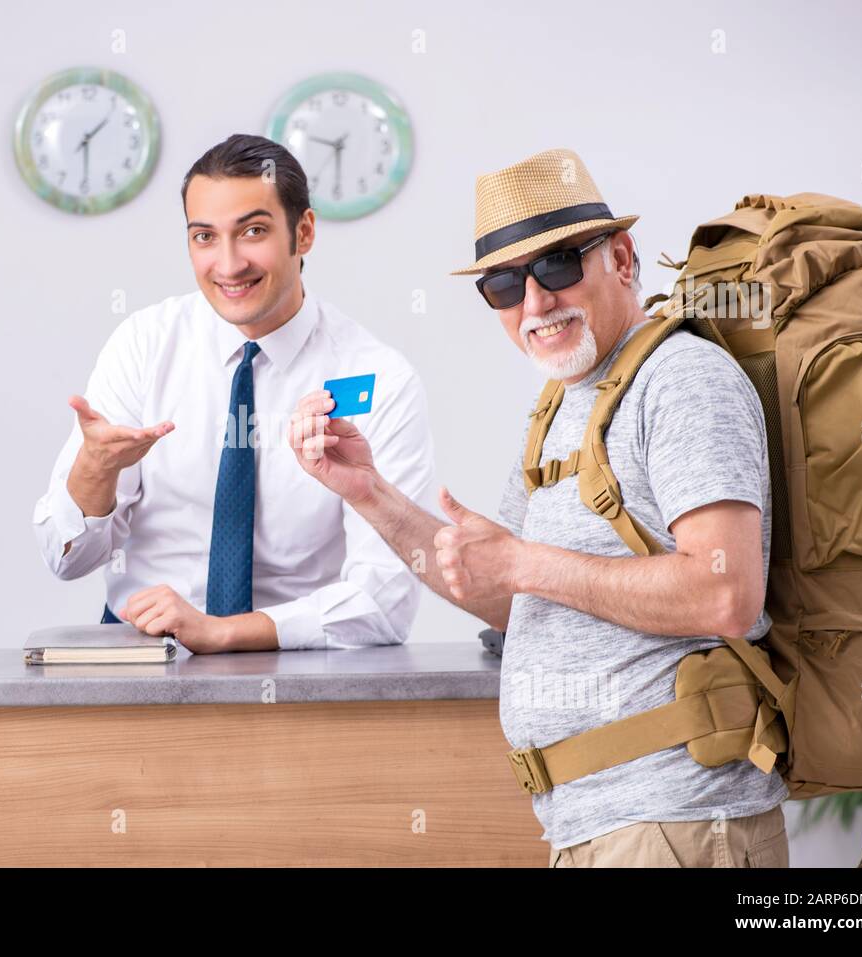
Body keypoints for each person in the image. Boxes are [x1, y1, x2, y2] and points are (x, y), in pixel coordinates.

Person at [288, 147, 789, 866]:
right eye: (502, 285)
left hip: (675, 822)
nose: (534, 303)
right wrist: (366, 489)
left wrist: (525, 561)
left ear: (620, 257)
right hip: (598, 825)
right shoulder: (563, 402)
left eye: (556, 267)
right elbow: (506, 595)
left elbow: (725, 592)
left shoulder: (681, 379)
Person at [32, 134, 435, 653]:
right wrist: (96, 467)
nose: (228, 264)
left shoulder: (378, 377)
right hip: (143, 667)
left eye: (253, 231)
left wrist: (222, 633)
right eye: (204, 237)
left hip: (301, 674)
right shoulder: (144, 346)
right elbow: (66, 560)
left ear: (304, 232)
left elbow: (385, 604)